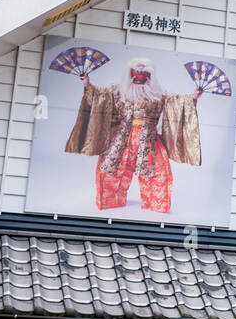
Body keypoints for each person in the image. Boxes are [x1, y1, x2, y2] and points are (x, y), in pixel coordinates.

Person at [64, 57, 202, 213]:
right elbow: (100, 95)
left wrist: (193, 97)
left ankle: (155, 204)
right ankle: (111, 201)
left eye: (143, 75)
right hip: (122, 139)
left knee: (158, 172)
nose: (139, 79)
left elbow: (176, 102)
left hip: (149, 140)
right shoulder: (118, 91)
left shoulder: (158, 94)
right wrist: (87, 84)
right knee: (112, 169)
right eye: (135, 75)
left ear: (150, 77)